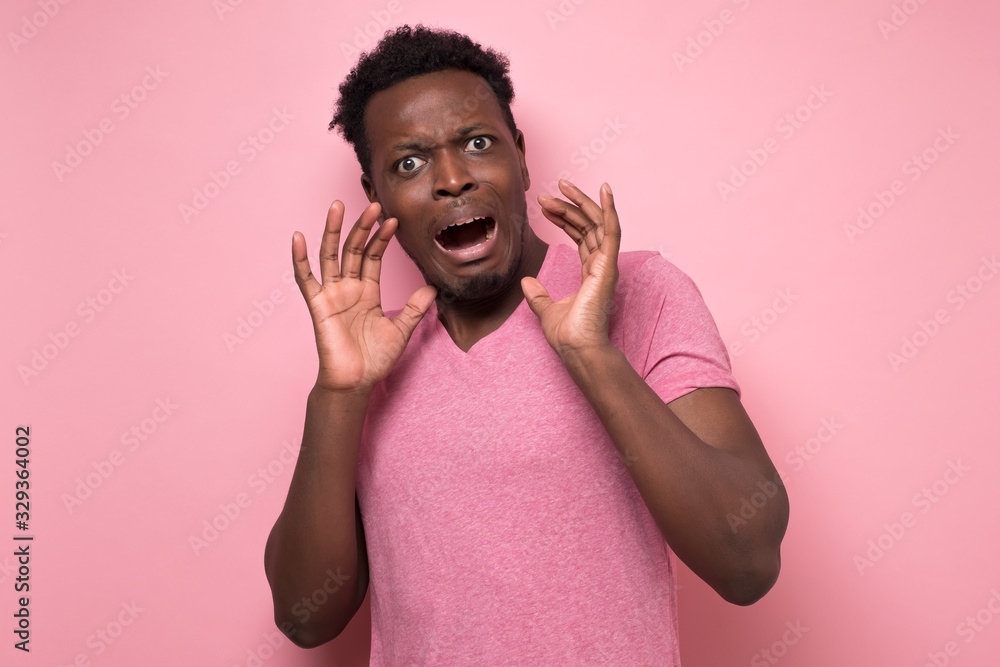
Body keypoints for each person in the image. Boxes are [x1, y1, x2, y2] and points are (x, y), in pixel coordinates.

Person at [264, 24, 789, 665]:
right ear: (377, 197)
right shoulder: (369, 355)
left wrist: (592, 355)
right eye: (409, 163)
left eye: (477, 142)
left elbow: (747, 562)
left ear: (519, 155)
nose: (451, 179)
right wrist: (340, 395)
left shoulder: (641, 292)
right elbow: (305, 619)